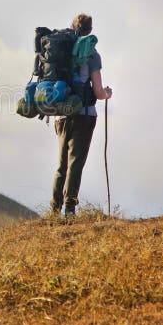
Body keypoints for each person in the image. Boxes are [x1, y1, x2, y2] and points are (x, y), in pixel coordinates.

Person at [51, 13, 112, 217]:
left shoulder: (60, 51)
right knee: (75, 163)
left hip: (60, 115)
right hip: (84, 115)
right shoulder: (92, 54)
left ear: (72, 26)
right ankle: (69, 210)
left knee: (61, 165)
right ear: (90, 30)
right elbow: (98, 92)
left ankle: (53, 209)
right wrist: (107, 94)